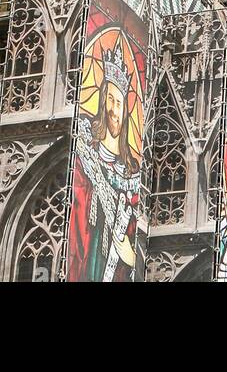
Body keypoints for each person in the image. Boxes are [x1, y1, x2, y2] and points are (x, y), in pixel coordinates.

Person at [68, 40, 140, 282]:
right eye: (110, 100)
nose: (114, 109)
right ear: (102, 101)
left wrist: (132, 257)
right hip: (83, 257)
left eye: (119, 103)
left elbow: (140, 229)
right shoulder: (85, 144)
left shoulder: (133, 172)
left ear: (126, 111)